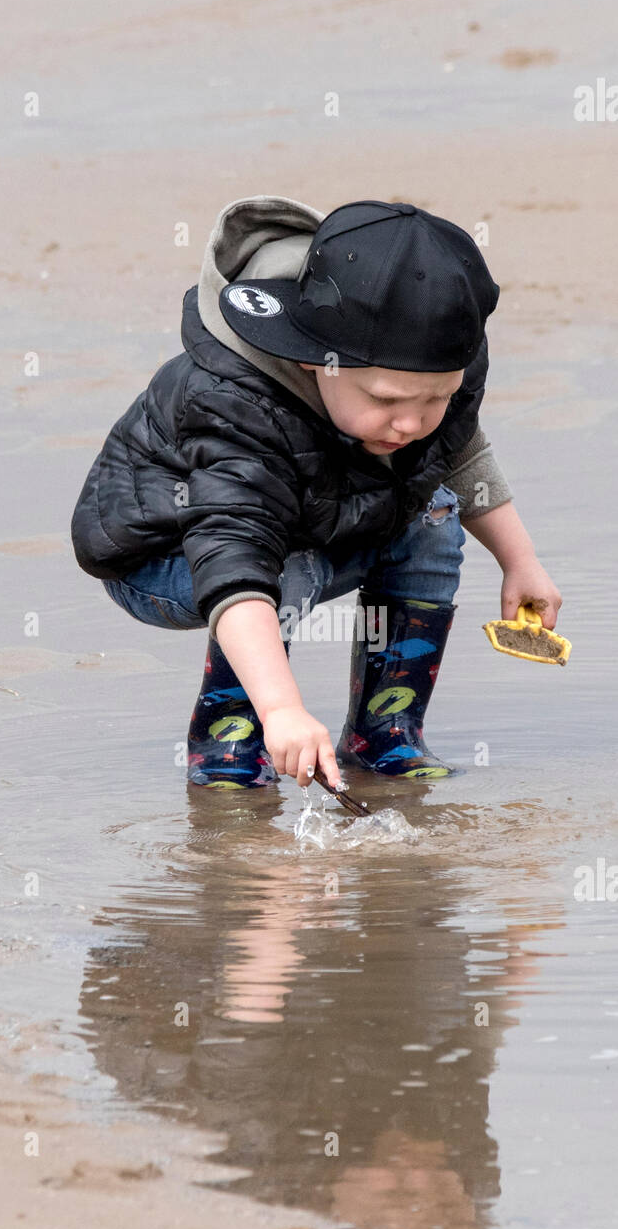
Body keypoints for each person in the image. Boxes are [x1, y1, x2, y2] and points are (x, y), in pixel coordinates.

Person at [71, 196, 562, 790]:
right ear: (312, 363)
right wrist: (284, 710)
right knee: (289, 565)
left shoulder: (429, 365)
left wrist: (520, 561)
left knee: (434, 511)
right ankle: (229, 744)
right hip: (166, 556)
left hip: (300, 525)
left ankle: (384, 735)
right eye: (385, 401)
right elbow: (234, 554)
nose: (411, 423)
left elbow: (458, 451)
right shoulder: (236, 402)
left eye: (436, 398)